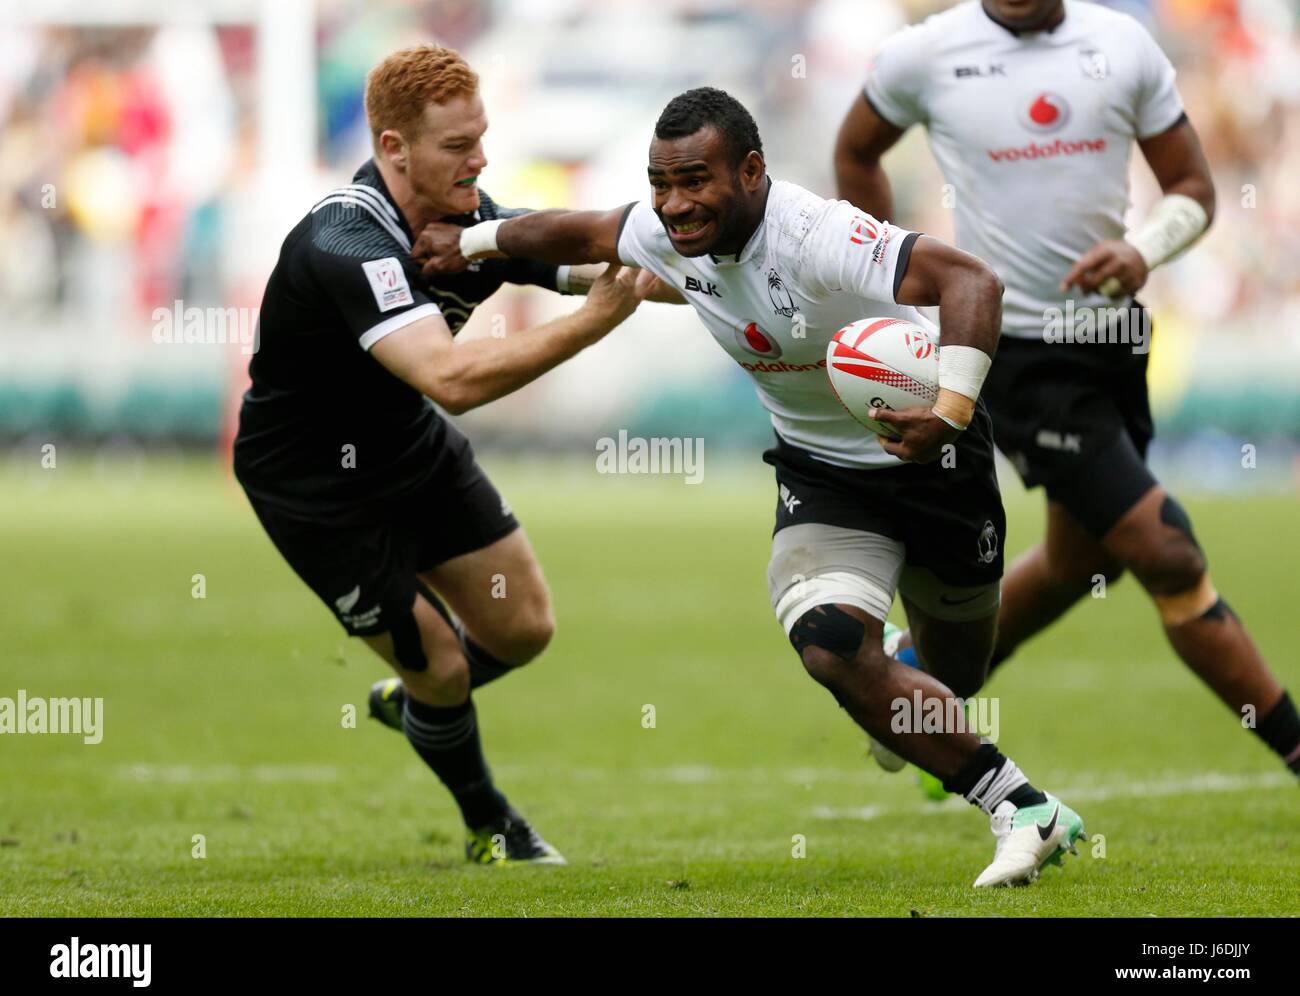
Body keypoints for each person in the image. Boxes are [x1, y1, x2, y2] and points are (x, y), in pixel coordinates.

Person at [415, 86, 1086, 887]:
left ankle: (907, 684)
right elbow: (582, 229)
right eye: (661, 183)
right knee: (831, 645)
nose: (674, 203)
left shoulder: (817, 233)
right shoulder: (664, 230)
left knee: (951, 681)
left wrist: (947, 410)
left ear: (753, 171)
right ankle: (1026, 808)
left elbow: (972, 282)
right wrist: (477, 241)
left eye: (695, 180)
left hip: (935, 458)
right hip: (822, 474)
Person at [834, 0, 1300, 780]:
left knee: (1081, 557)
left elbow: (1193, 187)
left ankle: (914, 671)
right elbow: (855, 152)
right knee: (1168, 552)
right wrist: (897, 281)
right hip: (1016, 353)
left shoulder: (1122, 45)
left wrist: (1141, 249)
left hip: (1114, 343)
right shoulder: (926, 54)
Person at [233, 44, 655, 866]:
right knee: (446, 667)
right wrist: (593, 323)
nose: (481, 159)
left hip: (404, 445)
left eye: (482, 138)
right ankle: (492, 825)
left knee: (525, 626)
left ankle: (418, 702)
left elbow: (609, 264)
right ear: (394, 149)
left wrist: (736, 272)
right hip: (312, 485)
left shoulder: (471, 216)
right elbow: (451, 378)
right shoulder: (344, 241)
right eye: (458, 146)